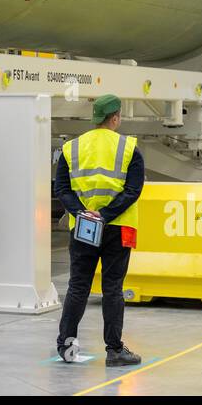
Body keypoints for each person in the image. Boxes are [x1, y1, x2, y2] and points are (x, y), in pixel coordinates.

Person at [54, 94, 145, 367]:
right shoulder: (129, 148)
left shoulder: (72, 148)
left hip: (83, 228)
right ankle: (115, 350)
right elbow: (133, 190)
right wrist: (104, 215)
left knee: (78, 286)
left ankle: (66, 345)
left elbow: (62, 189)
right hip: (118, 228)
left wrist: (84, 213)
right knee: (112, 289)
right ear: (115, 118)